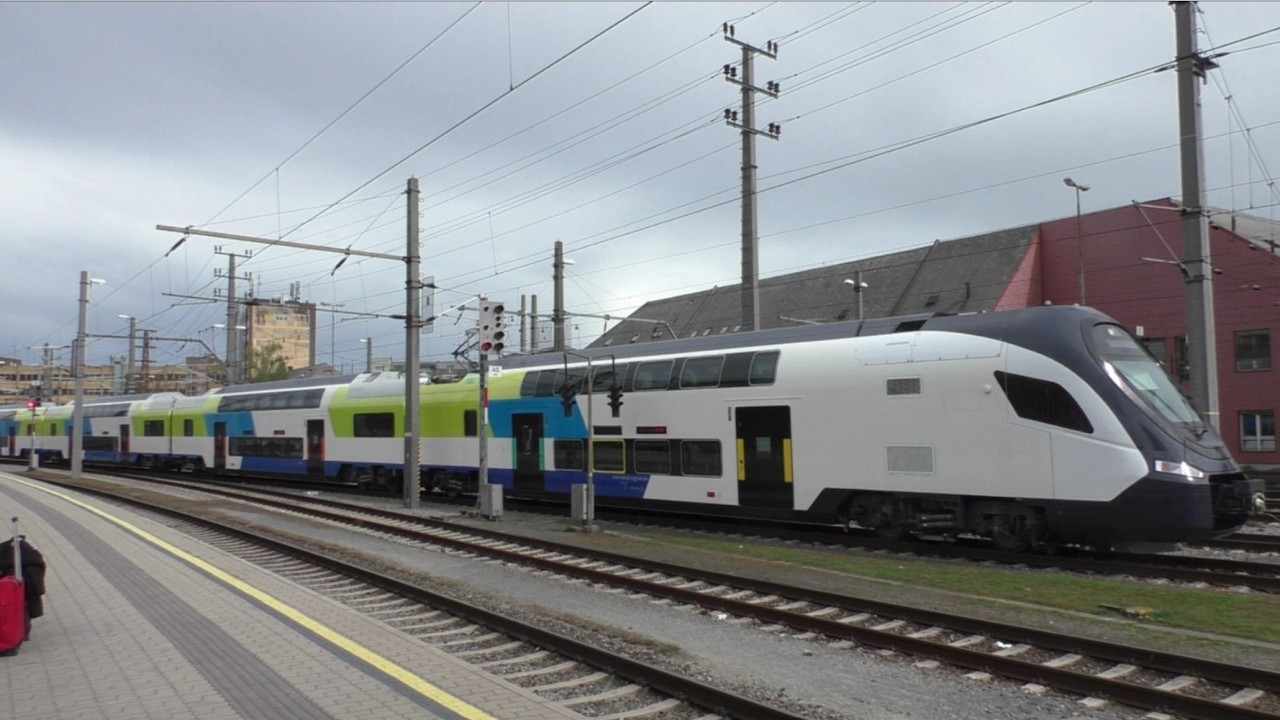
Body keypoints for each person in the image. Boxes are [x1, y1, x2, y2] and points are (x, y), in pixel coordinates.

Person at [0, 534, 46, 635]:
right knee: (23, 605)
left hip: (19, 578)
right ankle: (23, 632)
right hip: (27, 579)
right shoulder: (30, 553)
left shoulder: (6, 553)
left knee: (19, 606)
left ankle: (20, 633)